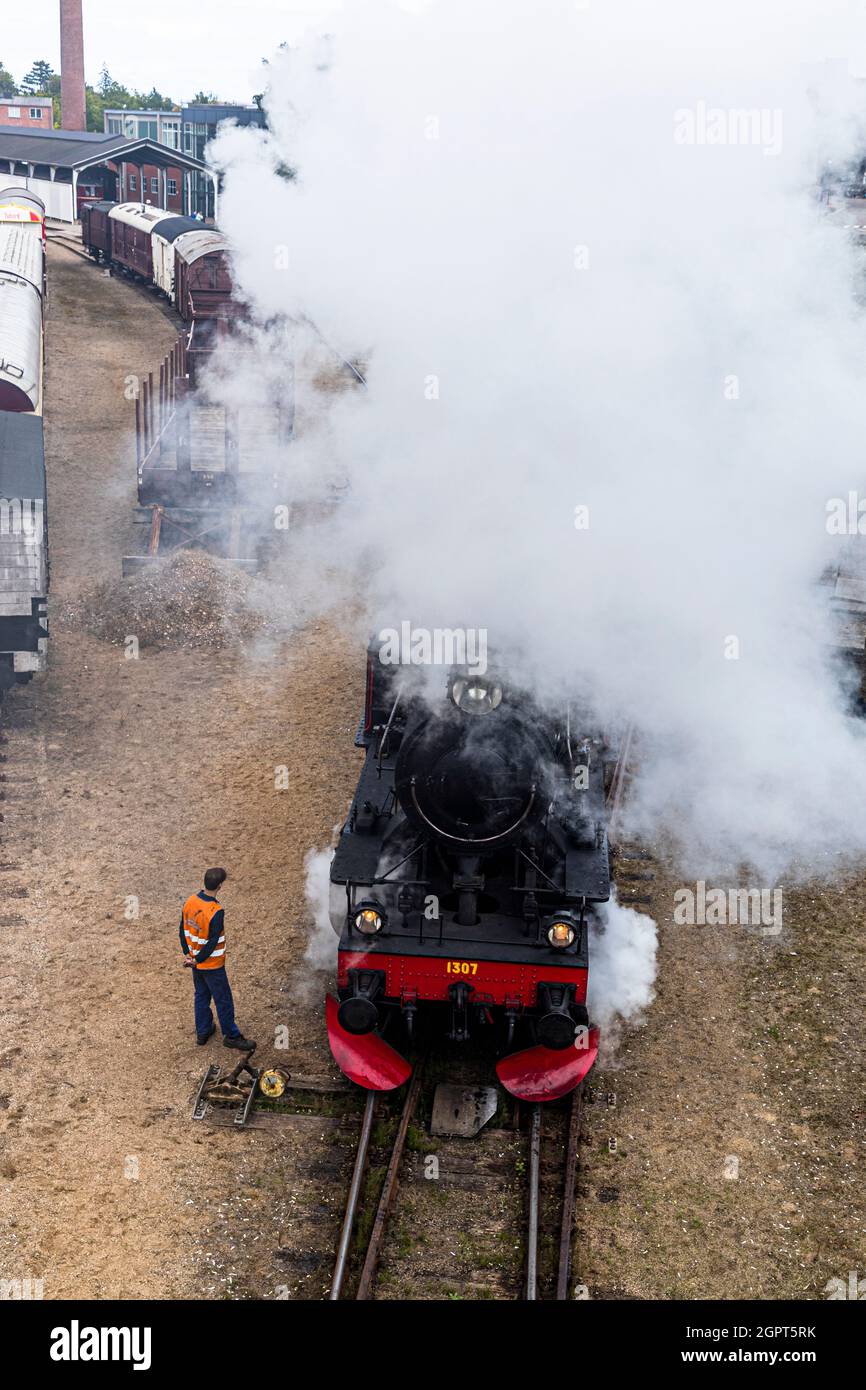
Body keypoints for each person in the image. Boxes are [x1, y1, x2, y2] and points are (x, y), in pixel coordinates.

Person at [180, 868, 255, 1050]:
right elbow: (213, 941)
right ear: (220, 886)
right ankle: (231, 1036)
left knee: (201, 995)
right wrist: (198, 960)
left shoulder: (190, 901)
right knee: (223, 1000)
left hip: (195, 961)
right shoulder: (216, 910)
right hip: (211, 964)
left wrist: (189, 955)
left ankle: (203, 1031)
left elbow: (182, 929)